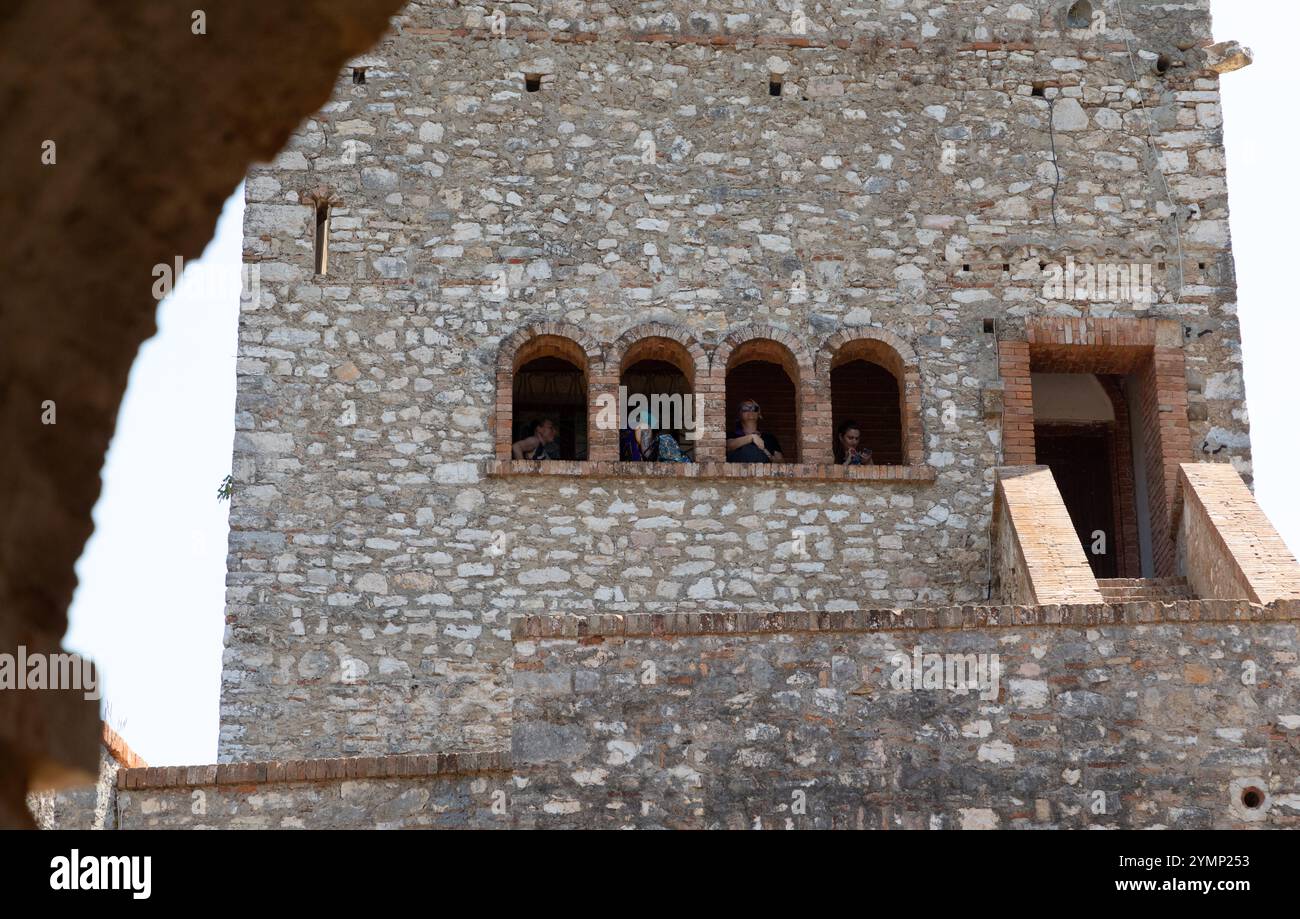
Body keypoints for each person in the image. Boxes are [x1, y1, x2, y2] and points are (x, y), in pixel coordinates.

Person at [726, 399, 784, 463]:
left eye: (755, 408)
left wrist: (765, 451)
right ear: (739, 414)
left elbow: (781, 462)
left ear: (759, 414)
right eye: (745, 408)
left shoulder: (770, 438)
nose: (750, 410)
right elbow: (727, 446)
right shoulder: (731, 435)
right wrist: (751, 438)